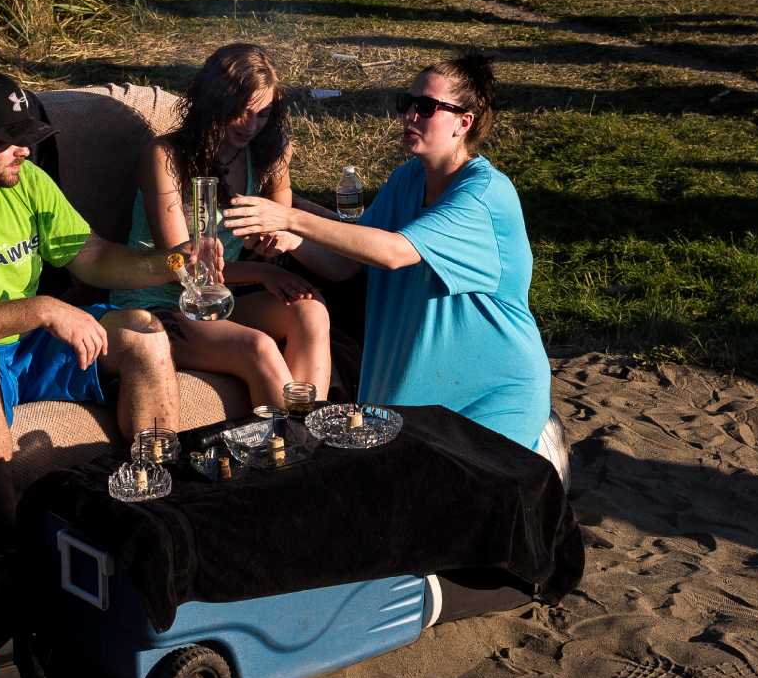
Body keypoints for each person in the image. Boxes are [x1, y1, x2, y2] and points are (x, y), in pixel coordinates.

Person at [0, 69, 190, 533]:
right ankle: (8, 537)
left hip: (29, 347)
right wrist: (42, 309)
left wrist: (175, 262)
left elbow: (94, 258)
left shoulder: (25, 180)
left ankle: (160, 505)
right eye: (8, 140)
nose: (24, 151)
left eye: (26, 138)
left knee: (144, 334)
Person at [223, 55, 560, 459]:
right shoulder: (407, 179)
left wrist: (292, 217)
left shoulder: (483, 196)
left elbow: (394, 252)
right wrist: (291, 240)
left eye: (427, 107)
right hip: (411, 407)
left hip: (488, 402)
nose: (410, 115)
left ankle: (547, 450)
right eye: (407, 103)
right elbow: (347, 262)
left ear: (463, 122)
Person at [112, 45, 331, 408]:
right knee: (258, 347)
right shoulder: (165, 157)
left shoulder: (269, 152)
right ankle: (291, 437)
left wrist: (273, 241)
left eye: (263, 114)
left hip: (222, 298)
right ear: (215, 102)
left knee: (310, 312)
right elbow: (179, 267)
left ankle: (308, 428)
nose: (252, 126)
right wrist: (261, 272)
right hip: (163, 301)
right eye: (242, 112)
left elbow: (281, 224)